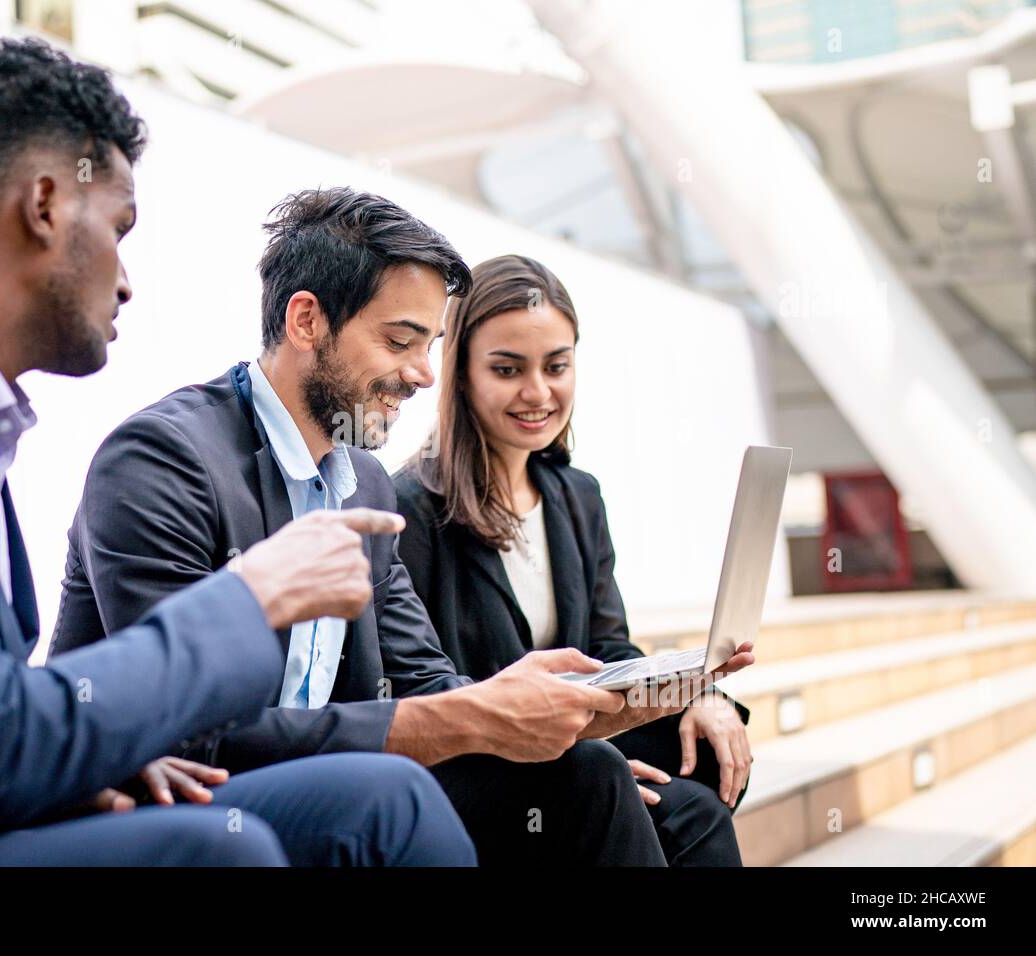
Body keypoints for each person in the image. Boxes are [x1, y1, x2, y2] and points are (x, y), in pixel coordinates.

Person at [0, 39, 475, 868]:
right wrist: (252, 594)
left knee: (386, 803)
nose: (126, 280)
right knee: (218, 853)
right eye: (120, 229)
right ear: (46, 205)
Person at [51, 187, 755, 865]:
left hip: (334, 774)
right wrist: (475, 716)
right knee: (408, 797)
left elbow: (422, 682)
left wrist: (582, 706)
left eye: (431, 345)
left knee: (591, 778)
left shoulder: (362, 479)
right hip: (191, 792)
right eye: (401, 341)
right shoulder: (163, 461)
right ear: (307, 321)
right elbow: (192, 730)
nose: (423, 374)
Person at [393, 254, 753, 866]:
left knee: (705, 764)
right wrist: (583, 756)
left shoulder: (575, 495)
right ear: (460, 375)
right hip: (482, 767)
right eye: (508, 369)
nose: (538, 392)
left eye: (556, 366)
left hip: (574, 747)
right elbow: (427, 694)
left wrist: (699, 696)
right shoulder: (413, 509)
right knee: (624, 790)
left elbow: (611, 651)